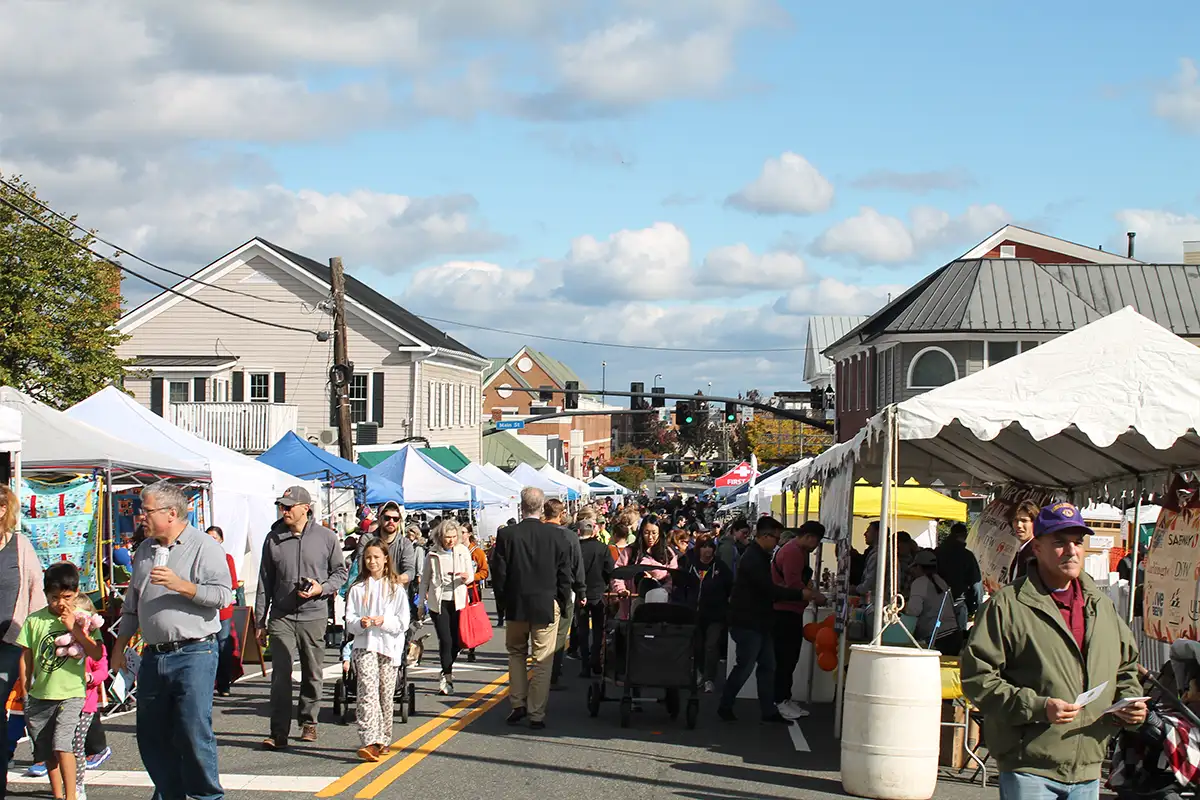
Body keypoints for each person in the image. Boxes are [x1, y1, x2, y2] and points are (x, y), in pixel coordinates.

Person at [961, 502, 1146, 799]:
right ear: (1037, 548)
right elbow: (977, 678)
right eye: (1059, 542)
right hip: (1030, 765)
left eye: (1077, 542)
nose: (1071, 551)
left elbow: (1126, 667)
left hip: (1088, 766)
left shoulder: (1102, 606)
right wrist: (1037, 707)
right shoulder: (1008, 606)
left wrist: (1128, 700)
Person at [112, 480, 232, 800]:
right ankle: (169, 792)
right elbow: (131, 606)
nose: (141, 516)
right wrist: (119, 646)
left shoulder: (205, 547)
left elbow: (223, 595)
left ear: (171, 513)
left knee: (192, 729)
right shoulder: (144, 550)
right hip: (153, 655)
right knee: (151, 734)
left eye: (147, 510)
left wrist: (183, 586)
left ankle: (206, 796)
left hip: (195, 651)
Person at [255, 485, 347, 749]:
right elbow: (264, 581)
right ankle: (278, 731)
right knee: (281, 674)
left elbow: (340, 573)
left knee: (312, 672)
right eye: (281, 506)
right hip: (281, 616)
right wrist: (260, 621)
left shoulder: (326, 538)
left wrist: (322, 588)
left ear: (305, 508)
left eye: (288, 506)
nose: (283, 510)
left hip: (314, 614)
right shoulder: (273, 539)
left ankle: (309, 721)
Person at [17, 562, 101, 800]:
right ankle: (57, 794)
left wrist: (75, 630)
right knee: (46, 750)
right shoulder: (35, 621)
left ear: (76, 593)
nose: (60, 603)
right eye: (54, 597)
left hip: (71, 693)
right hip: (40, 694)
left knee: (62, 744)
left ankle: (72, 795)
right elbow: (26, 655)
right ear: (46, 595)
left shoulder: (84, 620)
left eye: (67, 596)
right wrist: (25, 687)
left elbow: (96, 653)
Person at [490, 488, 572, 730]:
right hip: (546, 604)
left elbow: (499, 574)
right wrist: (564, 602)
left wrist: (502, 605)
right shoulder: (558, 536)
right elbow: (563, 575)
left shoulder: (507, 535)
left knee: (516, 653)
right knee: (542, 660)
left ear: (521, 507)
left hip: (517, 603)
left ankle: (518, 704)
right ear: (542, 507)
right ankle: (536, 712)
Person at [718, 517, 813, 724]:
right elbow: (768, 590)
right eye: (776, 538)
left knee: (766, 666)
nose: (778, 542)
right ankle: (726, 704)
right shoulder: (754, 558)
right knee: (747, 666)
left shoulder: (758, 556)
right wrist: (798, 595)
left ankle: (767, 711)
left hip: (757, 621)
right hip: (748, 621)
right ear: (766, 536)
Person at [345, 538, 410, 762]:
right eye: (368, 557)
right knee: (367, 692)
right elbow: (350, 620)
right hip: (365, 645)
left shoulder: (395, 589)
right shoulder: (357, 589)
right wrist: (359, 624)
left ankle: (383, 737)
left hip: (389, 646)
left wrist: (383, 621)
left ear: (385, 560)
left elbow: (403, 621)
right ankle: (369, 740)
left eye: (376, 557)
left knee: (385, 694)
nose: (372, 562)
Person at [0, 484, 45, 797]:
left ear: (4, 509)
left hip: (10, 640)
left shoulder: (19, 545)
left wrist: (37, 641)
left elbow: (36, 592)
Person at [771, 521, 827, 720]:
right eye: (817, 541)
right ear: (810, 537)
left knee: (790, 657)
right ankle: (779, 700)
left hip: (791, 610)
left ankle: (785, 697)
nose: (816, 546)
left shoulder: (799, 551)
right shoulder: (793, 552)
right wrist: (814, 595)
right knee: (786, 658)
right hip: (784, 611)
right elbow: (794, 584)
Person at [418, 520, 475, 696]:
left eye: (453, 537)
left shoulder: (462, 551)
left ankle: (445, 668)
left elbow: (471, 575)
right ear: (440, 537)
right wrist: (421, 604)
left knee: (458, 640)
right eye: (447, 537)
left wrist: (466, 578)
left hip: (458, 600)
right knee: (446, 639)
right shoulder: (432, 555)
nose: (450, 541)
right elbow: (424, 580)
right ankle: (447, 677)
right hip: (439, 602)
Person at [674, 535, 733, 693]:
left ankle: (709, 678)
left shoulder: (720, 567)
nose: (707, 550)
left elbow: (730, 586)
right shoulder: (689, 565)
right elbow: (680, 585)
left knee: (711, 646)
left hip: (715, 613)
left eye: (710, 547)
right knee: (697, 646)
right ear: (698, 548)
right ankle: (699, 672)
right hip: (694, 612)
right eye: (704, 546)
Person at [543, 499, 584, 687]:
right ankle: (553, 673)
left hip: (540, 589)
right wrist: (581, 590)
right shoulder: (570, 536)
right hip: (563, 589)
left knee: (540, 634)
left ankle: (541, 674)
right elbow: (577, 565)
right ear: (561, 514)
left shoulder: (538, 533)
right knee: (560, 634)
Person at [70, 594, 107, 800]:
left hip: (86, 703)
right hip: (62, 700)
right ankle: (63, 783)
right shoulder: (64, 643)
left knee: (77, 746)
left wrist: (90, 677)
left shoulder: (96, 644)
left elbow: (103, 670)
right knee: (60, 746)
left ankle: (78, 783)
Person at [576, 520, 614, 678]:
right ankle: (596, 661)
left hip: (580, 593)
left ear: (579, 532)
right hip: (599, 592)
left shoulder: (576, 548)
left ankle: (585, 665)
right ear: (594, 532)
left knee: (582, 630)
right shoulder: (603, 548)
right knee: (598, 629)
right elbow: (610, 569)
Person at [205, 526, 239, 697]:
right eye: (208, 537)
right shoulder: (201, 557)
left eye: (214, 537)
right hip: (204, 608)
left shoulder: (227, 558)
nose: (211, 541)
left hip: (223, 608)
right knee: (205, 647)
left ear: (221, 540)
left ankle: (224, 684)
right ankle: (207, 683)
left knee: (223, 645)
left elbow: (233, 583)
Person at [907, 550, 962, 654]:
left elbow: (914, 610)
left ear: (919, 567)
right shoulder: (941, 581)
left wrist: (902, 606)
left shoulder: (920, 583)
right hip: (954, 634)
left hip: (937, 637)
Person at [935, 522, 982, 630]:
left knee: (938, 636)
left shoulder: (938, 553)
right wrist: (975, 607)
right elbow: (976, 584)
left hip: (937, 603)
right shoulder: (967, 556)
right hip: (958, 603)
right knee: (958, 638)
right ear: (965, 535)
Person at [365, 502, 417, 588]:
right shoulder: (367, 539)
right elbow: (360, 567)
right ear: (380, 519)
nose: (391, 521)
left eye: (395, 519)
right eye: (387, 518)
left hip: (395, 592)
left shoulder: (405, 544)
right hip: (370, 590)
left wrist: (393, 581)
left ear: (399, 521)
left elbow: (410, 571)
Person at [465, 532, 489, 663]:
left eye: (463, 532)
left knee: (472, 619)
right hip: (457, 589)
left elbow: (484, 572)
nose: (460, 535)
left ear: (468, 534)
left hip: (472, 589)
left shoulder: (477, 552)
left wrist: (471, 577)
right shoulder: (455, 550)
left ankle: (471, 649)